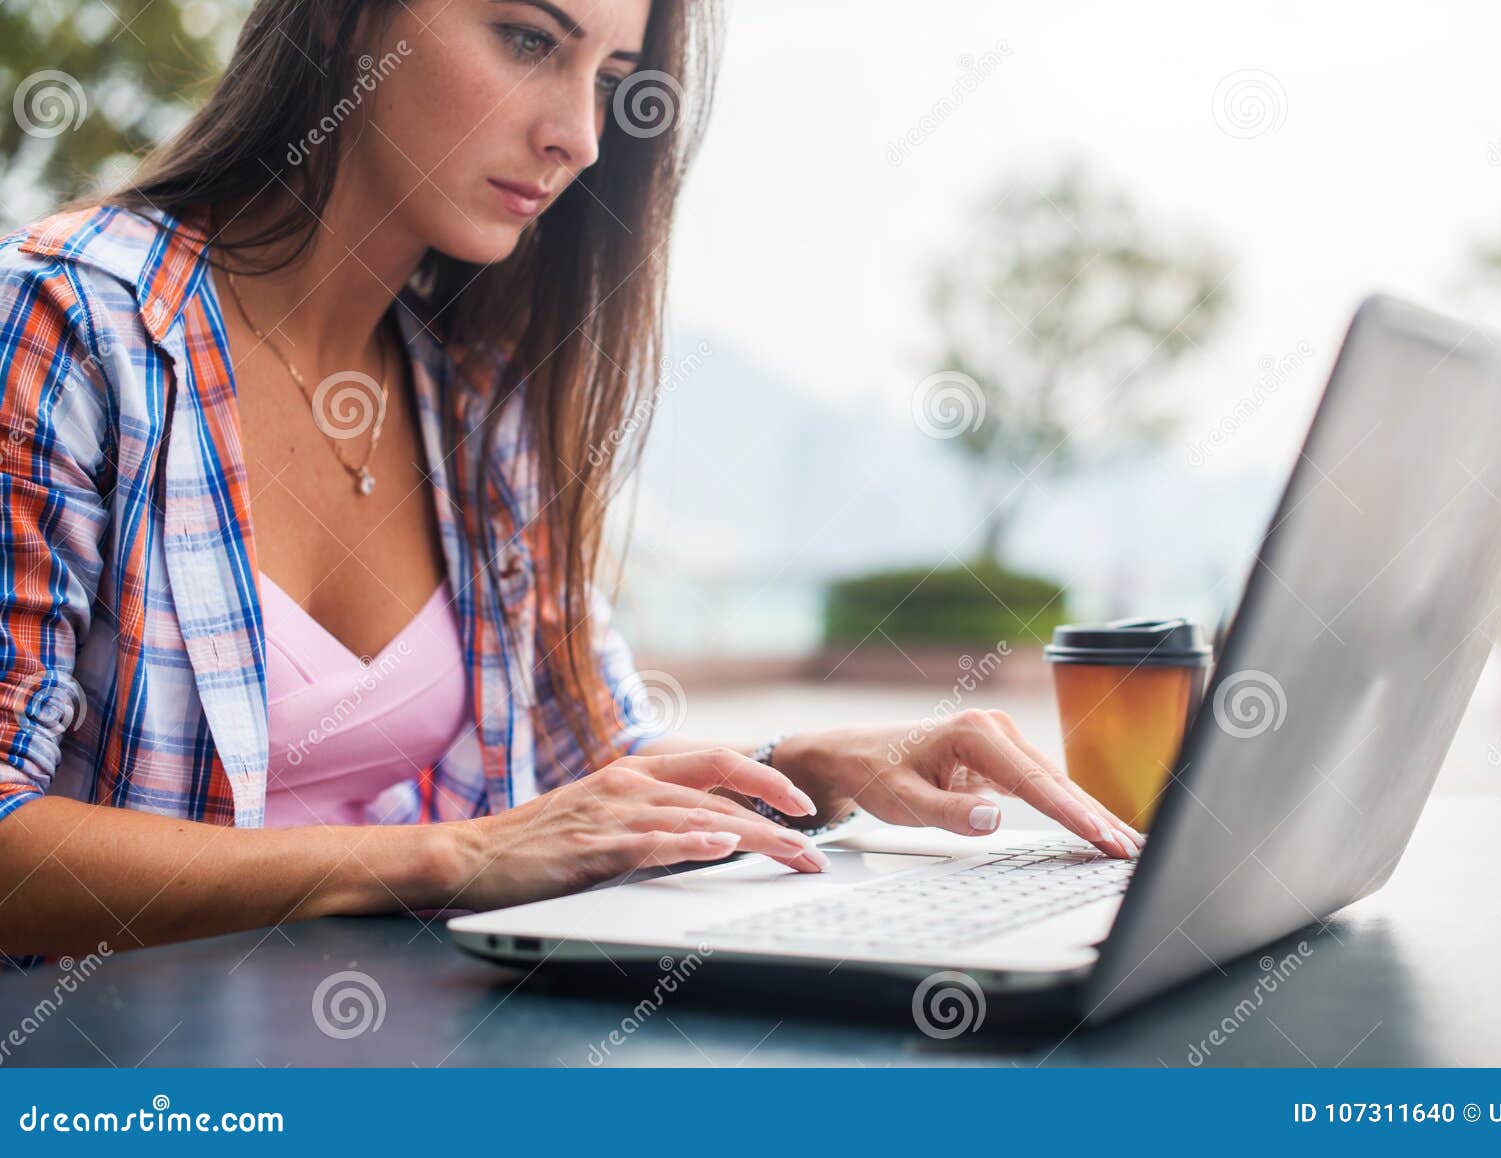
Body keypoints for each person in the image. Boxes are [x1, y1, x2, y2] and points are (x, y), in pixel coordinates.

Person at [0, 0, 1140, 961]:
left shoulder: (476, 395)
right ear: (351, 25)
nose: (584, 136)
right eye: (529, 40)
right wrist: (451, 858)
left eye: (616, 73)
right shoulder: (70, 326)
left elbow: (574, 779)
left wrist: (806, 770)